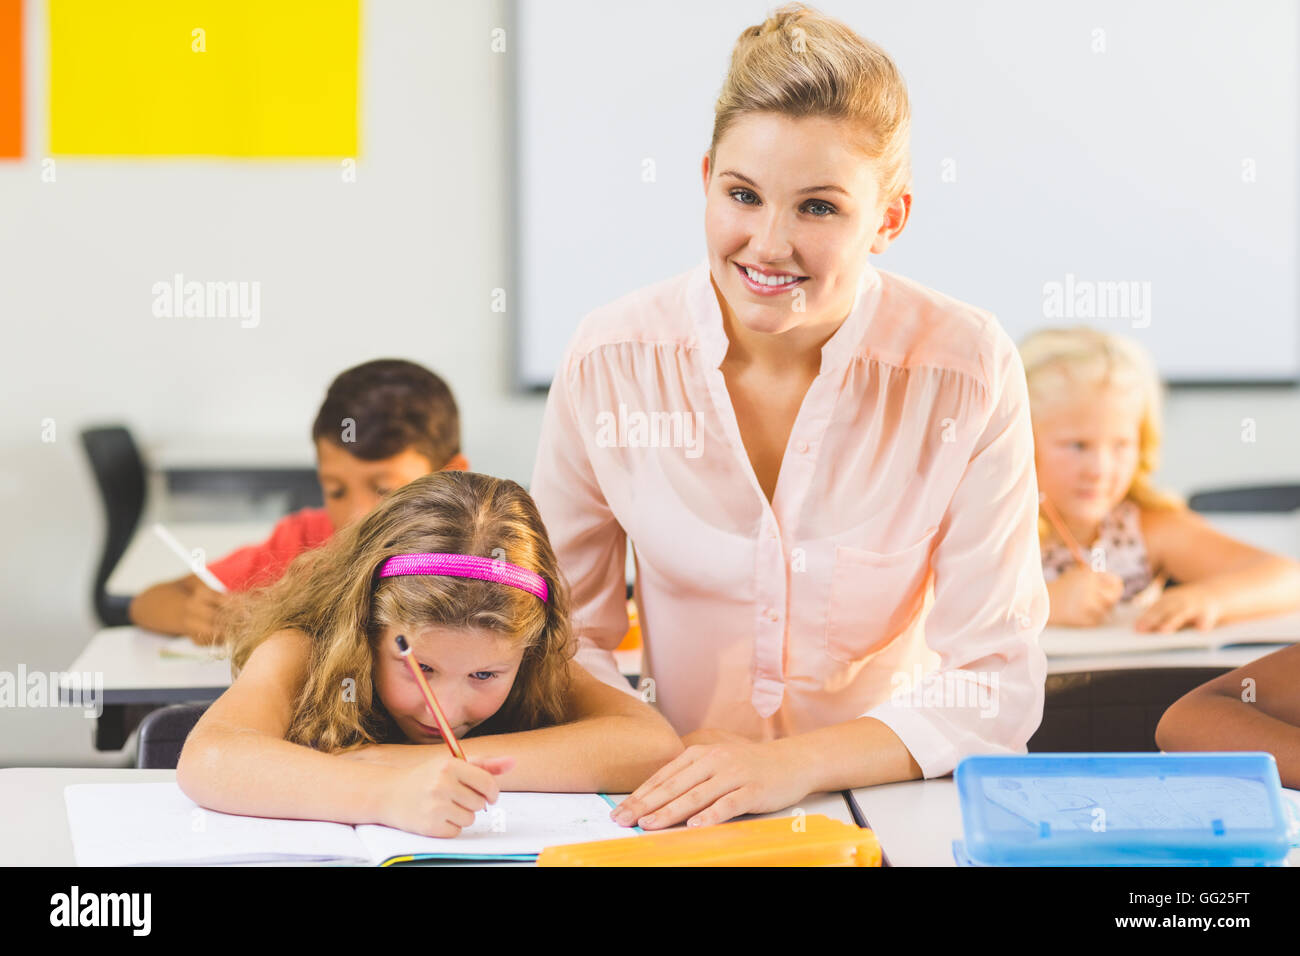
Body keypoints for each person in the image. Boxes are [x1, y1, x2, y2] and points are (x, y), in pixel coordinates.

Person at [529, 3, 1050, 830]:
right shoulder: (610, 361)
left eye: (818, 208)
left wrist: (783, 769)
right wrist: (655, 753)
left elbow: (995, 679)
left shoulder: (966, 369)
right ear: (706, 181)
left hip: (892, 807)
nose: (768, 245)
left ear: (888, 218)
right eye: (744, 195)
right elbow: (561, 640)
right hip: (666, 802)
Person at [176, 471, 684, 837]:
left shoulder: (532, 656)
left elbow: (652, 746)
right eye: (421, 668)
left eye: (484, 674)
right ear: (365, 624)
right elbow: (210, 758)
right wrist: (384, 794)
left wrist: (400, 761)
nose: (442, 708)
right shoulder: (302, 649)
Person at [130, 358, 467, 642]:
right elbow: (147, 602)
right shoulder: (306, 543)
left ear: (454, 475)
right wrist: (195, 617)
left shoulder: (480, 550)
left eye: (385, 491)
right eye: (336, 490)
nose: (356, 517)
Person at [1021, 327, 1300, 630]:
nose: (1099, 469)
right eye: (1077, 445)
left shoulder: (1144, 527)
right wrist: (1043, 603)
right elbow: (961, 613)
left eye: (1122, 445)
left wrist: (1209, 598)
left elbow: (1289, 579)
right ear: (1020, 441)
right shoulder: (995, 530)